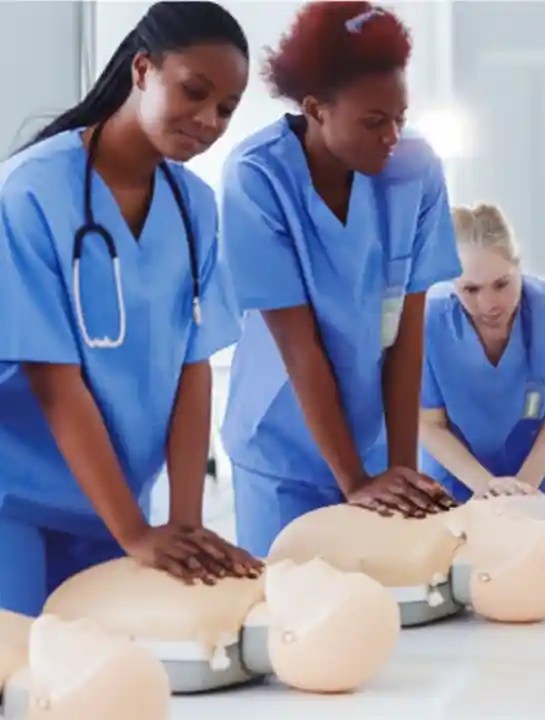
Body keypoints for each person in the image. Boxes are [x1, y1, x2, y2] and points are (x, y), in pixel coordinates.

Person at [0, 1, 262, 615]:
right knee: (23, 677)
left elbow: (191, 370)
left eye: (226, 108)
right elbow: (52, 377)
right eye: (194, 92)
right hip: (14, 503)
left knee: (104, 684)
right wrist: (135, 533)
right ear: (142, 70)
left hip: (115, 506)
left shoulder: (195, 208)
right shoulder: (32, 190)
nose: (208, 120)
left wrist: (187, 524)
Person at [219, 1, 462, 558]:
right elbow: (298, 347)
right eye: (374, 122)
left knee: (391, 608)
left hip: (376, 437)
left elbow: (407, 335)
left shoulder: (415, 170)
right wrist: (353, 481)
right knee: (293, 614)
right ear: (315, 109)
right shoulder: (257, 176)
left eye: (400, 116)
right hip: (281, 448)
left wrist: (399, 471)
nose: (392, 136)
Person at [417, 204, 545, 502]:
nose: (490, 304)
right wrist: (487, 487)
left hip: (537, 471)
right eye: (471, 290)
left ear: (519, 266)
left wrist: (524, 488)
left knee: (541, 544)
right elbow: (428, 423)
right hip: (455, 476)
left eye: (501, 284)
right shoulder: (427, 321)